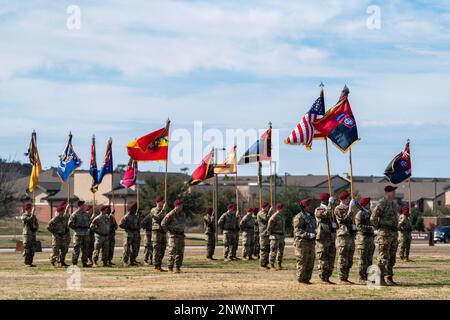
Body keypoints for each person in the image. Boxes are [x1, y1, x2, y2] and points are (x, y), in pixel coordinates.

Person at [371, 186, 401, 286]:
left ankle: (389, 277)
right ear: (388, 192)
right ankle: (379, 278)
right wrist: (379, 227)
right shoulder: (382, 203)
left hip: (393, 234)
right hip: (384, 234)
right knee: (383, 257)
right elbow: (373, 217)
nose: (395, 193)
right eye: (393, 191)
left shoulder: (394, 204)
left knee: (391, 258)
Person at [335, 191, 357, 284]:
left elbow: (352, 219)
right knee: (343, 257)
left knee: (349, 258)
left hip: (350, 235)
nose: (348, 200)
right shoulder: (338, 208)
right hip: (343, 235)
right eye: (347, 198)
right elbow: (344, 219)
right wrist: (351, 209)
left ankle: (346, 277)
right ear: (343, 199)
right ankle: (342, 278)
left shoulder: (349, 208)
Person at [315, 193, 337, 284]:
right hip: (323, 237)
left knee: (331, 257)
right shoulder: (319, 209)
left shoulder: (331, 209)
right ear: (324, 200)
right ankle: (323, 277)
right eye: (328, 200)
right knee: (323, 257)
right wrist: (330, 204)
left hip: (331, 236)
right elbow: (326, 214)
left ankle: (328, 277)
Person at [293, 199, 317, 284]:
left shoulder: (310, 216)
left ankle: (307, 278)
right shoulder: (299, 217)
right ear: (304, 207)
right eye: (308, 205)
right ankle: (301, 279)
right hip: (302, 242)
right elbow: (297, 231)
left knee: (310, 260)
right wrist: (308, 234)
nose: (310, 206)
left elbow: (314, 227)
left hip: (311, 242)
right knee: (302, 260)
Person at [161, 199, 186, 273]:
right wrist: (168, 232)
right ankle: (170, 267)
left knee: (180, 252)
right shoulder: (171, 214)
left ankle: (178, 268)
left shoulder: (183, 214)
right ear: (176, 206)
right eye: (180, 205)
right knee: (172, 252)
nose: (182, 206)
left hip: (181, 235)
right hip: (173, 236)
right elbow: (163, 223)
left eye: (182, 205)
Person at [355, 197, 375, 284]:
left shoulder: (369, 213)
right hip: (363, 239)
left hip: (370, 238)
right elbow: (359, 226)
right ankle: (361, 277)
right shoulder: (360, 214)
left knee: (369, 259)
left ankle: (368, 276)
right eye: (368, 203)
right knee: (362, 259)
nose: (370, 205)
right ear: (364, 204)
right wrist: (371, 228)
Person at [68, 200, 92, 267]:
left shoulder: (86, 214)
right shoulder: (75, 214)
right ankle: (74, 263)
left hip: (85, 234)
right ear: (80, 206)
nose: (85, 206)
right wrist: (76, 228)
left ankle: (84, 262)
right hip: (78, 234)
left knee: (85, 249)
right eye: (84, 205)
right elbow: (69, 224)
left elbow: (88, 222)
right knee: (77, 249)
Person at [47, 203, 70, 268]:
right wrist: (54, 232)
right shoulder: (55, 219)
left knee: (64, 250)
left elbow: (67, 216)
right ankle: (52, 262)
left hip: (63, 237)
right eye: (61, 211)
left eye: (63, 211)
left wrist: (67, 208)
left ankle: (62, 262)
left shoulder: (63, 218)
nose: (63, 212)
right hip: (56, 237)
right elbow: (48, 226)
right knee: (55, 251)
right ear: (59, 212)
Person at [119, 202, 141, 267]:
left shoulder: (136, 216)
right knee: (127, 249)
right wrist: (127, 227)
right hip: (128, 234)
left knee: (134, 248)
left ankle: (132, 261)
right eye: (133, 209)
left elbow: (138, 224)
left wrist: (137, 227)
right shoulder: (126, 216)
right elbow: (120, 224)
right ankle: (125, 261)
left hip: (135, 234)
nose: (134, 210)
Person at [152, 196, 168, 272]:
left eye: (163, 202)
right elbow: (157, 217)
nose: (163, 203)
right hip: (157, 233)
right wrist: (163, 210)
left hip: (163, 232)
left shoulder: (164, 211)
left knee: (162, 249)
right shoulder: (153, 210)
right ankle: (156, 266)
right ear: (158, 202)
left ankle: (159, 265)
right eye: (162, 201)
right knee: (157, 250)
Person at [267, 203, 286, 270]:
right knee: (273, 251)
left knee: (281, 251)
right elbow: (269, 227)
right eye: (283, 208)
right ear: (280, 208)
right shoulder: (274, 216)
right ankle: (272, 264)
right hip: (275, 236)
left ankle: (279, 264)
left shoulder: (282, 216)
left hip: (281, 236)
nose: (284, 209)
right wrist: (270, 234)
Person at [257, 202, 274, 270]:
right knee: (264, 249)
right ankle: (262, 264)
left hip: (267, 233)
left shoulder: (266, 213)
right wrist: (270, 212)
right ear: (264, 207)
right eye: (267, 207)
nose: (268, 208)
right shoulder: (261, 213)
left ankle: (265, 263)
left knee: (267, 249)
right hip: (263, 233)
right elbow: (267, 219)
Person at [21, 203, 39, 267]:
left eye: (30, 209)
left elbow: (36, 224)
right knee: (27, 249)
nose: (29, 210)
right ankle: (26, 263)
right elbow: (28, 220)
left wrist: (35, 228)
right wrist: (32, 214)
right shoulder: (24, 216)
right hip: (27, 235)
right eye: (28, 209)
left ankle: (30, 262)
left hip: (33, 234)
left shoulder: (33, 216)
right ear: (26, 210)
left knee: (32, 249)